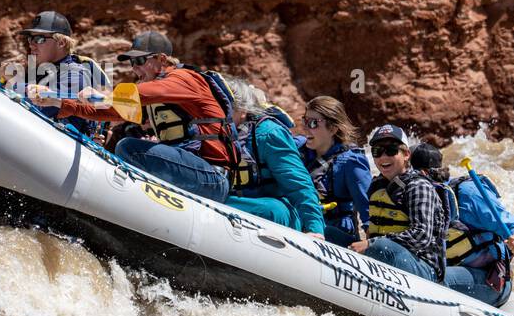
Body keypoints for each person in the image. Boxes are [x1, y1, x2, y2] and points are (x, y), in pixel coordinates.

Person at [39, 31, 233, 202]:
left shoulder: (184, 79)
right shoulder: (156, 90)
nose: (134, 68)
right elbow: (107, 113)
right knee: (124, 144)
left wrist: (105, 96)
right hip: (190, 170)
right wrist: (58, 102)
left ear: (162, 59)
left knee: (129, 147)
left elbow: (141, 93)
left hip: (213, 179)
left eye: (140, 61)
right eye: (132, 62)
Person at [411, 143, 514, 308]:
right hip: (456, 271)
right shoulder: (417, 199)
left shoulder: (468, 194)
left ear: (423, 174)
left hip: (489, 280)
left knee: (430, 277)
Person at [224, 80, 325, 236]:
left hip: (271, 208)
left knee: (273, 210)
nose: (217, 112)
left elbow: (299, 184)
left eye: (225, 107)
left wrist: (315, 228)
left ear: (242, 110)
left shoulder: (269, 133)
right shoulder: (211, 131)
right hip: (232, 204)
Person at [351, 125, 448, 282]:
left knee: (381, 248)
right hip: (381, 256)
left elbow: (421, 235)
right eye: (377, 152)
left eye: (391, 150)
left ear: (406, 154)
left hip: (422, 268)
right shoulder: (376, 185)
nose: (383, 157)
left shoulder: (418, 186)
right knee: (331, 232)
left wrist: (371, 245)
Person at [6, 11, 111, 138]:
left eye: (39, 39)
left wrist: (16, 84)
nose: (31, 45)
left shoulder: (75, 74)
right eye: (30, 39)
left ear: (61, 43)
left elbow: (41, 110)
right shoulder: (38, 71)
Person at [296, 96, 372, 248]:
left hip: (335, 237)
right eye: (305, 121)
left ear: (333, 129)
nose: (305, 127)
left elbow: (368, 213)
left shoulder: (351, 162)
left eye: (313, 123)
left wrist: (371, 245)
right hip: (301, 226)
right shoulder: (297, 149)